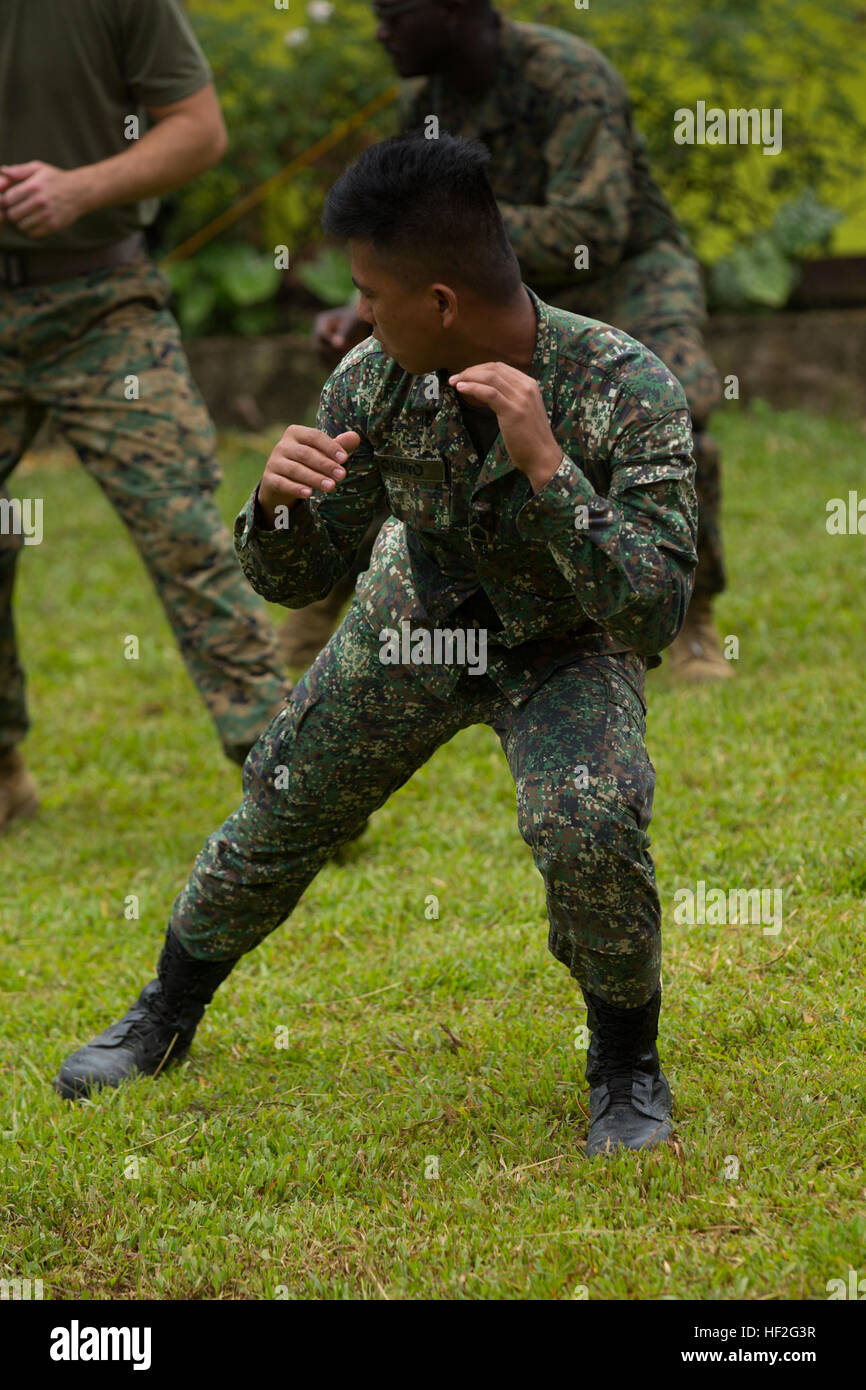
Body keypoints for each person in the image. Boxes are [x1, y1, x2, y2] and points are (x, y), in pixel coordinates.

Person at [55, 134, 698, 1157]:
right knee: (284, 798)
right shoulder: (370, 381)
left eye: (369, 292)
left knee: (586, 816)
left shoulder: (626, 387)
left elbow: (653, 612)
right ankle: (161, 1014)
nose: (356, 313)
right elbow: (304, 576)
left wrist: (548, 473)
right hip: (419, 620)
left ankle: (624, 1064)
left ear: (439, 301)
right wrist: (274, 510)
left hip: (563, 644)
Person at [299, 0, 727, 682]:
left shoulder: (567, 76)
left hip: (621, 277)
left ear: (455, 11)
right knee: (389, 395)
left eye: (396, 15)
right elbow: (399, 230)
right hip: (489, 290)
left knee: (683, 401)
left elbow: (591, 229)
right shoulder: (425, 98)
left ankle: (692, 616)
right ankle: (318, 614)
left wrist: (464, 241)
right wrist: (369, 303)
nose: (380, 32)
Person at [0, 0, 292, 832]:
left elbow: (197, 130)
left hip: (100, 302)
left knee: (185, 529)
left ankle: (290, 784)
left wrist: (77, 189)